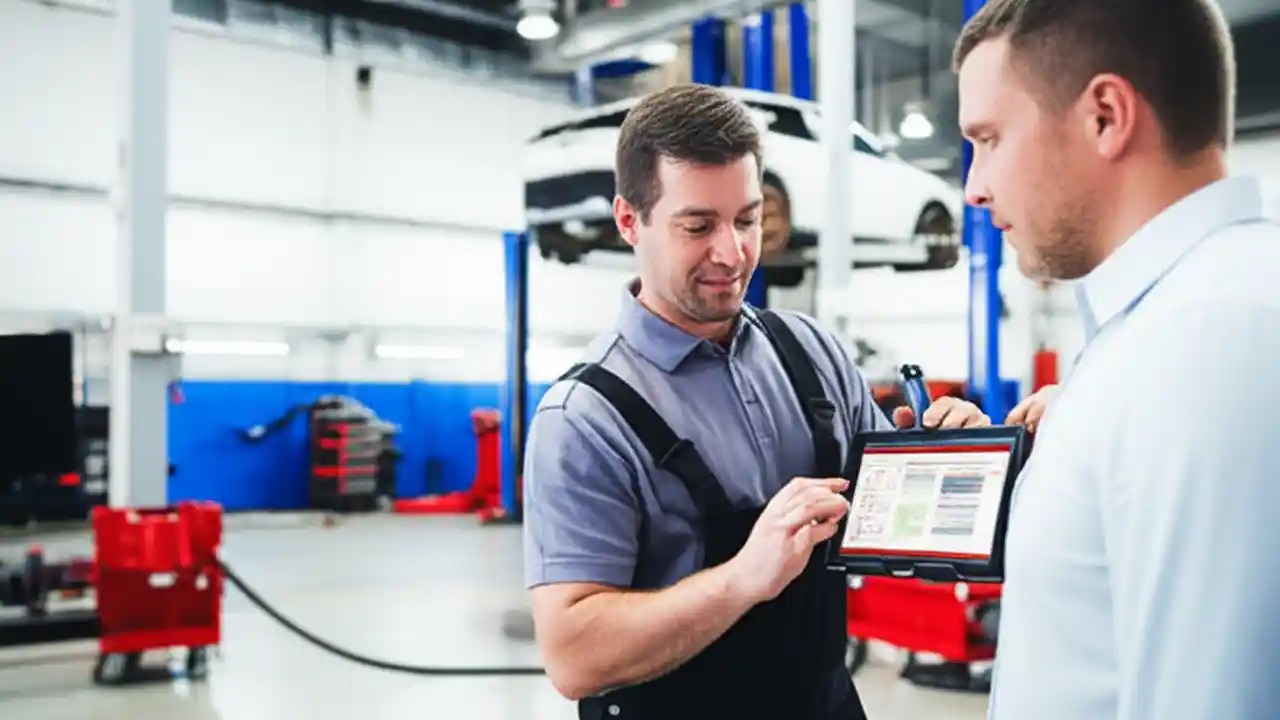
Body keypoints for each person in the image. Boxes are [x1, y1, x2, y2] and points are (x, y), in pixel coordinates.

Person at [521, 83, 991, 720]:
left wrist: (955, 456)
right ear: (630, 221)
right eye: (698, 225)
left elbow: (895, 520)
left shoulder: (812, 353)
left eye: (745, 219)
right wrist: (744, 578)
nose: (732, 251)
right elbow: (576, 658)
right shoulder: (584, 419)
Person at [954, 1, 1280, 718]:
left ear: (1105, 115)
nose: (973, 187)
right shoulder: (1169, 328)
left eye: (989, 138)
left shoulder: (1203, 342)